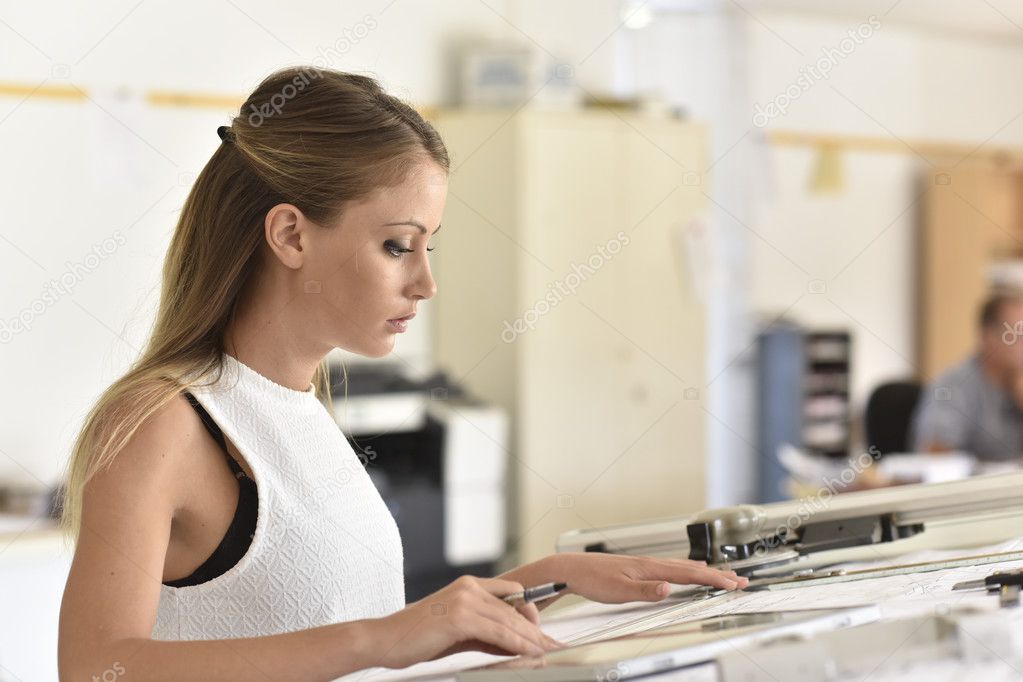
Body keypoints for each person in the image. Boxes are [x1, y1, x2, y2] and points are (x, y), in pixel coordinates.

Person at [56, 66, 746, 680]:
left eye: (427, 248)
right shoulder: (164, 421)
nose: (425, 284)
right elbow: (95, 668)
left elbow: (341, 633)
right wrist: (380, 640)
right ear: (291, 235)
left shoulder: (299, 406)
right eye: (397, 246)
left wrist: (548, 579)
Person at [910, 292, 1023, 461]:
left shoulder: (1015, 385)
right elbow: (934, 454)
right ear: (989, 338)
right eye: (1019, 336)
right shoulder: (954, 387)